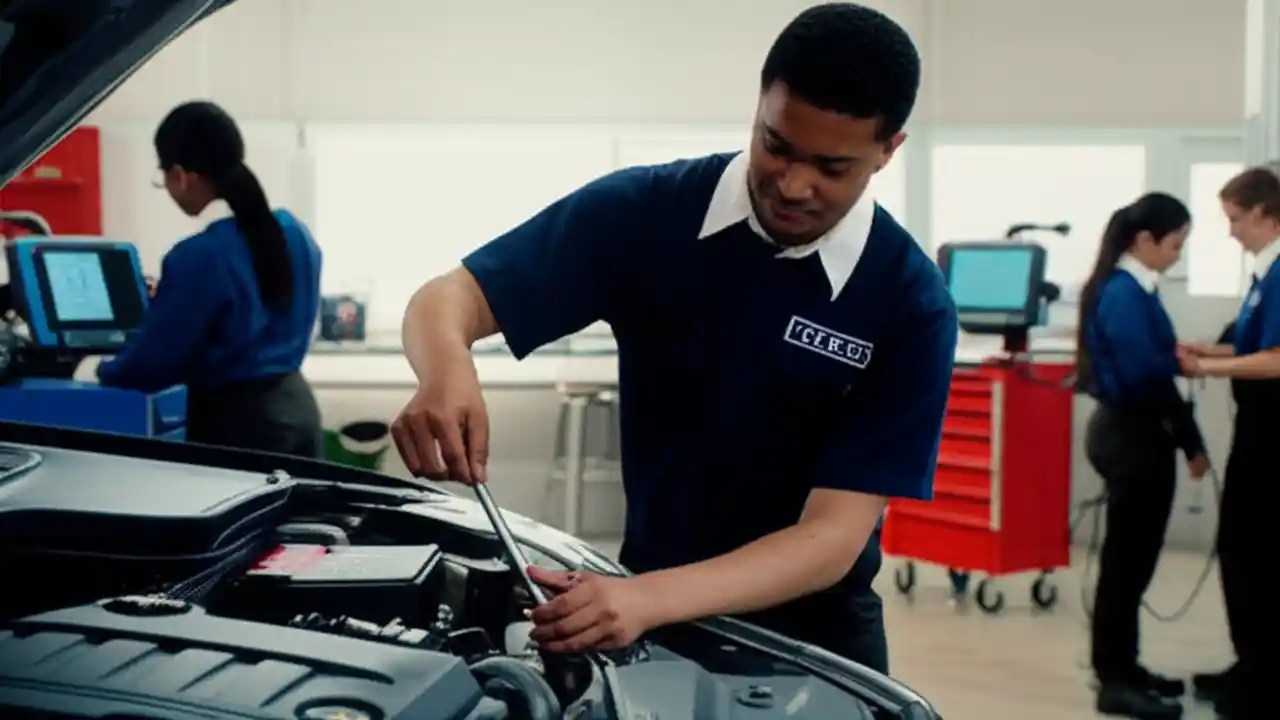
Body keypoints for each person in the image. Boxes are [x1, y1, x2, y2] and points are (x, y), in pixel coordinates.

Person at [391, 2, 955, 672]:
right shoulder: (644, 215)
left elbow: (831, 537)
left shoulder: (910, 302)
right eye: (776, 145)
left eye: (832, 167)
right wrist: (446, 370)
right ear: (759, 107)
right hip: (648, 622)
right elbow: (448, 298)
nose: (794, 185)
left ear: (889, 150)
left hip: (812, 648)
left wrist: (647, 599)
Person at [94, 100, 325, 459]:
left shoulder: (199, 256)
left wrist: (101, 369)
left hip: (238, 426)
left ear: (180, 175)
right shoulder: (294, 233)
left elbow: (151, 364)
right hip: (298, 410)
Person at [1075, 192, 1209, 719]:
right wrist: (1191, 440)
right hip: (1132, 438)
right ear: (1145, 240)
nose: (1178, 255)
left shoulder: (1134, 289)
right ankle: (1114, 682)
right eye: (1175, 244)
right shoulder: (1124, 293)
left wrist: (1175, 357)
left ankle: (1125, 667)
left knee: (1131, 566)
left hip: (1138, 435)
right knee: (1125, 568)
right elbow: (1145, 376)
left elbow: (1151, 360)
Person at [1178, 165, 1280, 719]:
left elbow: (1276, 359)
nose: (1232, 232)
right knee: (1243, 552)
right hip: (1255, 431)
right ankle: (1251, 664)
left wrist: (1210, 370)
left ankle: (1261, 681)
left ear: (1265, 213)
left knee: (1253, 555)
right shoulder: (1265, 276)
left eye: (1237, 219)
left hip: (1272, 439)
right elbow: (1250, 343)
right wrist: (1206, 351)